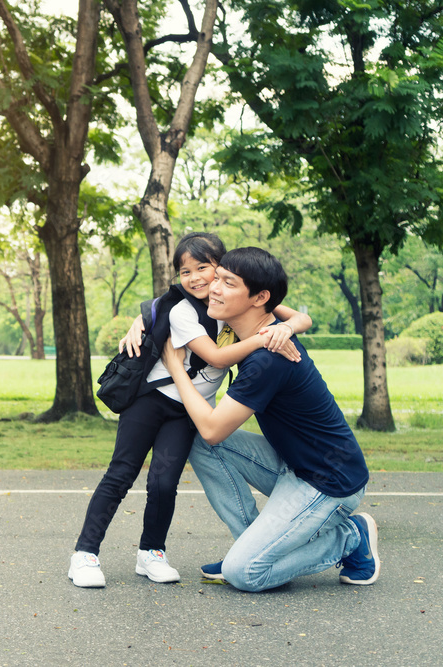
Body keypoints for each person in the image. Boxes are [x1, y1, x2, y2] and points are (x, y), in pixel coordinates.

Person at [68, 233, 313, 588]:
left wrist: (285, 328)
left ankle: (151, 552)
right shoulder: (182, 311)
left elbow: (302, 319)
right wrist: (263, 338)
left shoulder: (234, 303)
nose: (196, 277)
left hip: (189, 411)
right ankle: (85, 554)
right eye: (185, 272)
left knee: (164, 482)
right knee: (121, 473)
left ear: (223, 269)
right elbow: (214, 357)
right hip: (150, 401)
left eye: (204, 267)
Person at [160, 246, 379, 592]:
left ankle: (351, 537)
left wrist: (175, 367)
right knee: (198, 443)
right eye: (216, 278)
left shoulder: (267, 360)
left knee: (246, 573)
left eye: (227, 283)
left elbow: (214, 428)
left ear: (259, 298)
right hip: (293, 465)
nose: (213, 288)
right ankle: (254, 546)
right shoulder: (259, 330)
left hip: (329, 483)